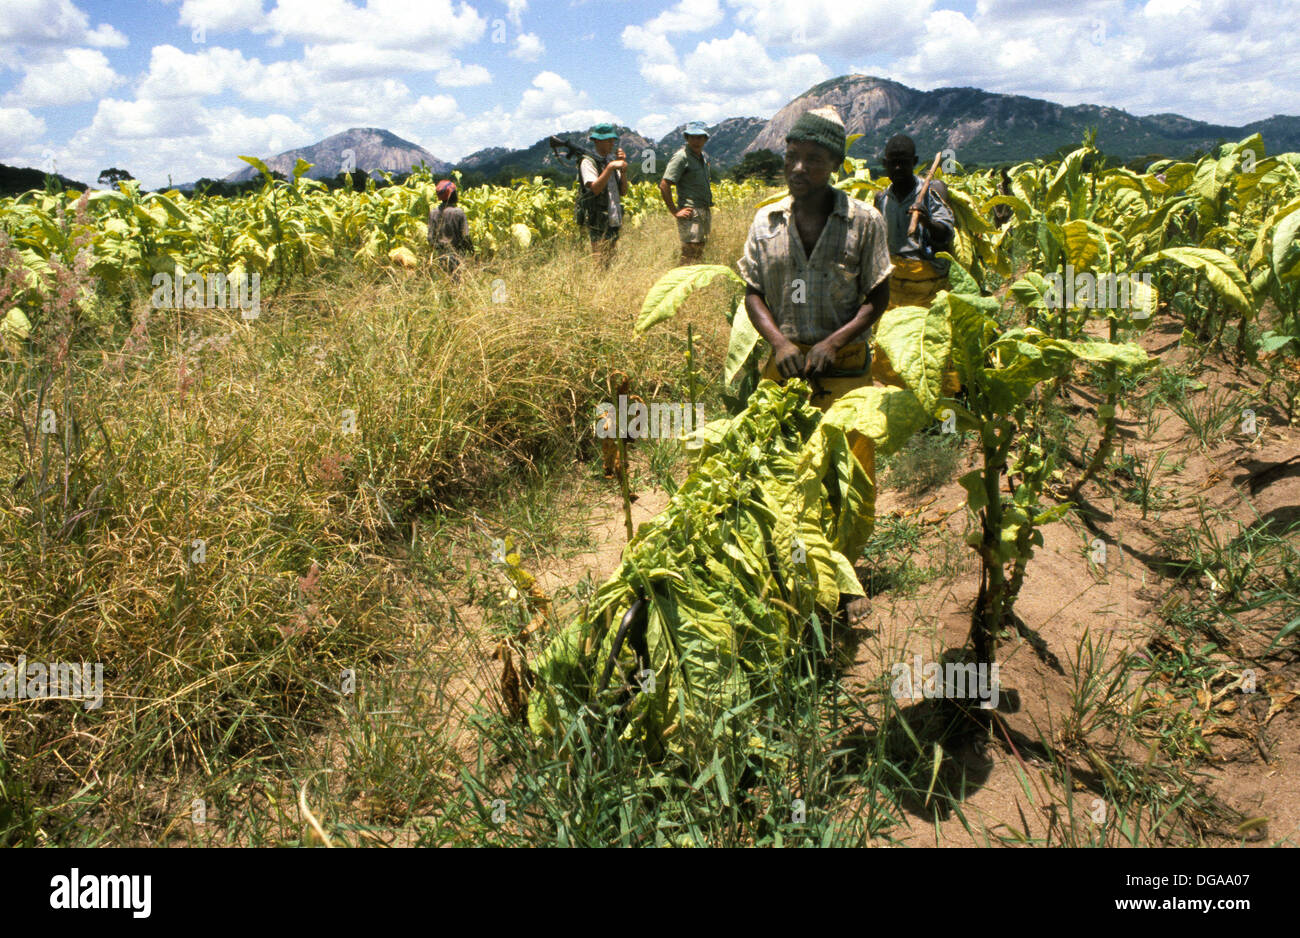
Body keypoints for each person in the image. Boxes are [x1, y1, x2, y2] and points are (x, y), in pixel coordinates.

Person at [737, 106, 892, 625]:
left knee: (847, 481)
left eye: (814, 160)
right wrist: (779, 342)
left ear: (834, 166)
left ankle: (845, 579)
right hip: (784, 375)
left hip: (844, 372)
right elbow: (753, 291)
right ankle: (787, 575)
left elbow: (878, 295)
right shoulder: (767, 221)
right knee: (779, 477)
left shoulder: (863, 221)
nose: (799, 168)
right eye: (792, 156)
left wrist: (837, 340)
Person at [871, 134, 958, 390]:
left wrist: (925, 221)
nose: (898, 169)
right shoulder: (881, 198)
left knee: (931, 343)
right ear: (885, 164)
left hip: (927, 282)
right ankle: (899, 399)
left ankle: (940, 407)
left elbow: (945, 237)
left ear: (915, 162)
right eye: (893, 163)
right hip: (895, 283)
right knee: (891, 342)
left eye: (904, 163)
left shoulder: (932, 190)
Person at [660, 120, 715, 265]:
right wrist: (675, 211)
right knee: (690, 252)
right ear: (687, 138)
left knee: (699, 250)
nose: (696, 141)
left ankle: (693, 286)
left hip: (703, 209)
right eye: (692, 137)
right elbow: (664, 184)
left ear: (705, 139)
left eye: (699, 137)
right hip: (691, 212)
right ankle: (680, 285)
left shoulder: (701, 157)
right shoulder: (681, 157)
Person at [578, 123, 628, 264]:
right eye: (608, 140)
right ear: (597, 141)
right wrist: (611, 167)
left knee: (610, 259)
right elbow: (595, 188)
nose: (612, 143)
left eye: (612, 140)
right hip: (597, 218)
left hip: (612, 215)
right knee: (599, 260)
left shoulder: (611, 161)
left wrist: (623, 169)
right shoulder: (588, 162)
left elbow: (623, 192)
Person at [428, 179, 473, 278]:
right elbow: (465, 236)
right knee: (456, 280)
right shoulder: (458, 213)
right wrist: (471, 251)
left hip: (440, 255)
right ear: (452, 195)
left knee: (444, 280)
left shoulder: (433, 213)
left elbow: (430, 238)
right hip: (456, 254)